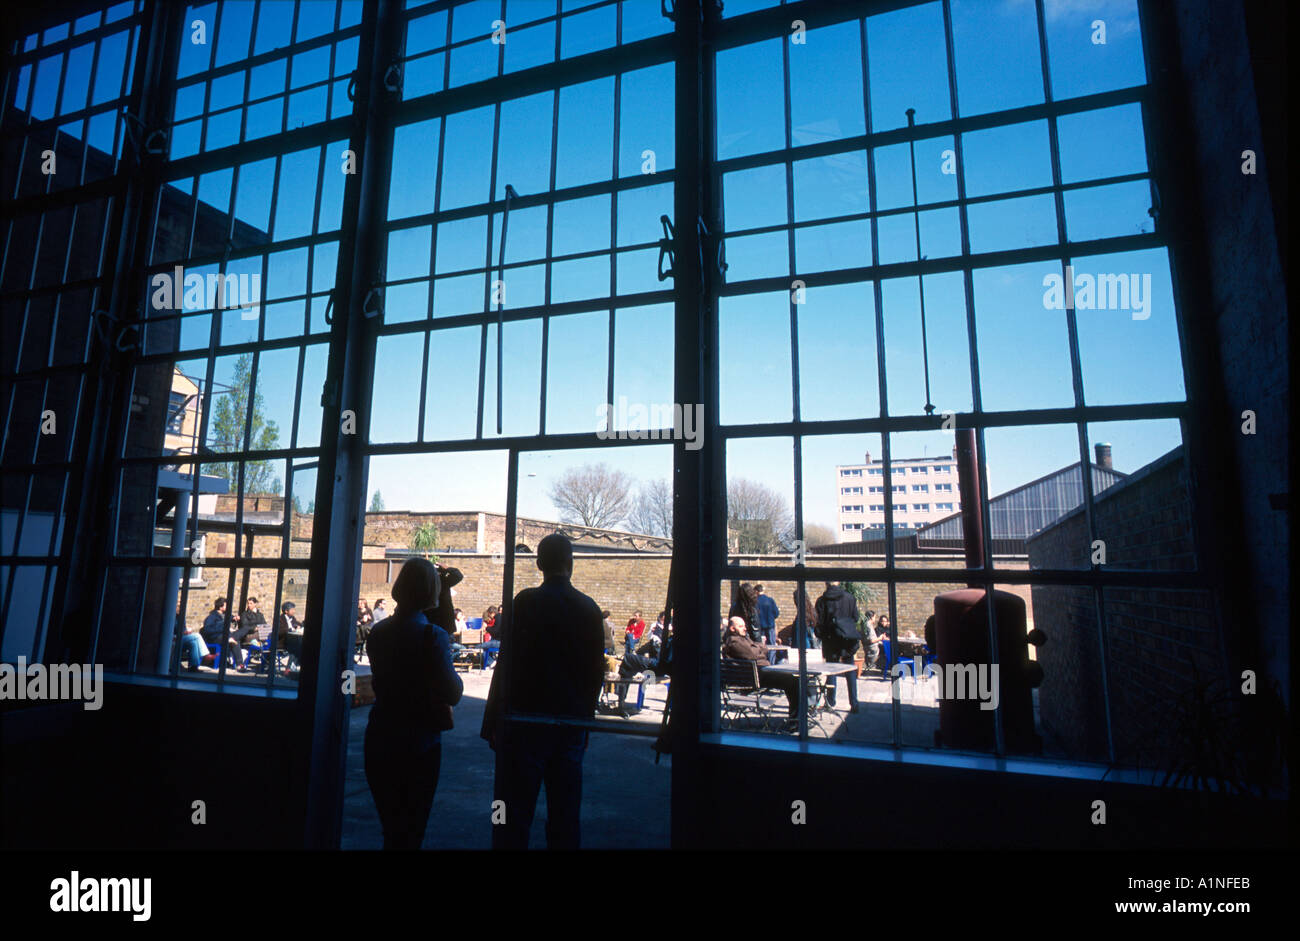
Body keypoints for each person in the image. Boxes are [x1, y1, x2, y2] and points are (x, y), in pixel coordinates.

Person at [482, 533, 605, 849]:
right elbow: (594, 674)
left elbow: (507, 665)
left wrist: (493, 721)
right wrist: (586, 721)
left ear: (538, 564)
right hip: (569, 724)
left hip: (524, 722)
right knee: (565, 815)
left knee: (511, 813)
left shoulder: (524, 602)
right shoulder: (589, 608)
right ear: (571, 563)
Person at [365, 558, 463, 850]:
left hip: (381, 734)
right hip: (419, 742)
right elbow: (454, 692)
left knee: (391, 827)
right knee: (412, 829)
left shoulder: (378, 633)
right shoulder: (433, 637)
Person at [720, 617, 801, 720]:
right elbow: (752, 653)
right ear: (732, 629)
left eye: (744, 626)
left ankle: (796, 716)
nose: (745, 628)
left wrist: (757, 649)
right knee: (793, 681)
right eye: (741, 626)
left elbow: (760, 648)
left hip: (760, 673)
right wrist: (758, 649)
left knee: (793, 680)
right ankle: (796, 718)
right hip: (755, 677)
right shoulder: (734, 641)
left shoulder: (743, 638)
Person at [815, 582, 860, 714]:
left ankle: (830, 702)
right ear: (838, 583)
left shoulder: (822, 600)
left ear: (825, 584)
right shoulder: (850, 598)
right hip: (847, 640)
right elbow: (855, 618)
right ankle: (854, 704)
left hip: (830, 641)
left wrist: (821, 635)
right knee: (850, 671)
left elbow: (820, 623)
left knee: (831, 672)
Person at [199, 598, 240, 668]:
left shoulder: (225, 615)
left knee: (236, 638)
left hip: (224, 636)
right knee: (233, 639)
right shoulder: (212, 617)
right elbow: (208, 630)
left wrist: (234, 618)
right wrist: (225, 629)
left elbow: (230, 617)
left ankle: (239, 664)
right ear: (221, 607)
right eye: (226, 605)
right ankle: (238, 664)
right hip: (214, 638)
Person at [174, 600, 206, 672]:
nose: (180, 608)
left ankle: (193, 666)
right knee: (197, 635)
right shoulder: (171, 616)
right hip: (173, 638)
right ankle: (205, 655)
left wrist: (186, 631)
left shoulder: (181, 617)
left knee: (193, 643)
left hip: (181, 637)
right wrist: (183, 632)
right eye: (178, 606)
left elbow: (183, 629)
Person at [754, 585, 782, 664]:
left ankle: (762, 663)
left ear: (756, 591)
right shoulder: (770, 600)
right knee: (772, 646)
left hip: (760, 628)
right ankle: (771, 663)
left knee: (761, 646)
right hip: (770, 626)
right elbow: (776, 613)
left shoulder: (755, 601)